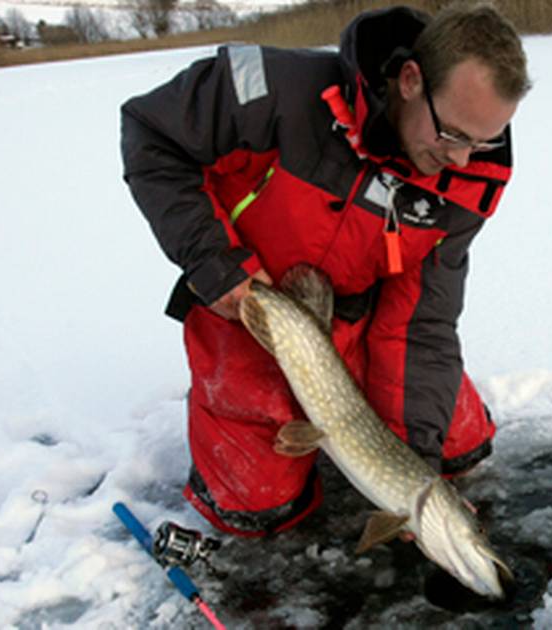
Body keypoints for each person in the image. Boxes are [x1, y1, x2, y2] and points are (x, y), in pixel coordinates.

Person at [120, 2, 530, 537]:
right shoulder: (268, 92)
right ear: (410, 80)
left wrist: (414, 470)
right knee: (257, 506)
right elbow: (151, 136)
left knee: (456, 444)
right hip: (244, 310)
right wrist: (216, 264)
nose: (461, 160)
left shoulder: (467, 181)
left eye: (483, 140)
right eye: (453, 134)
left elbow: (421, 322)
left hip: (355, 327)